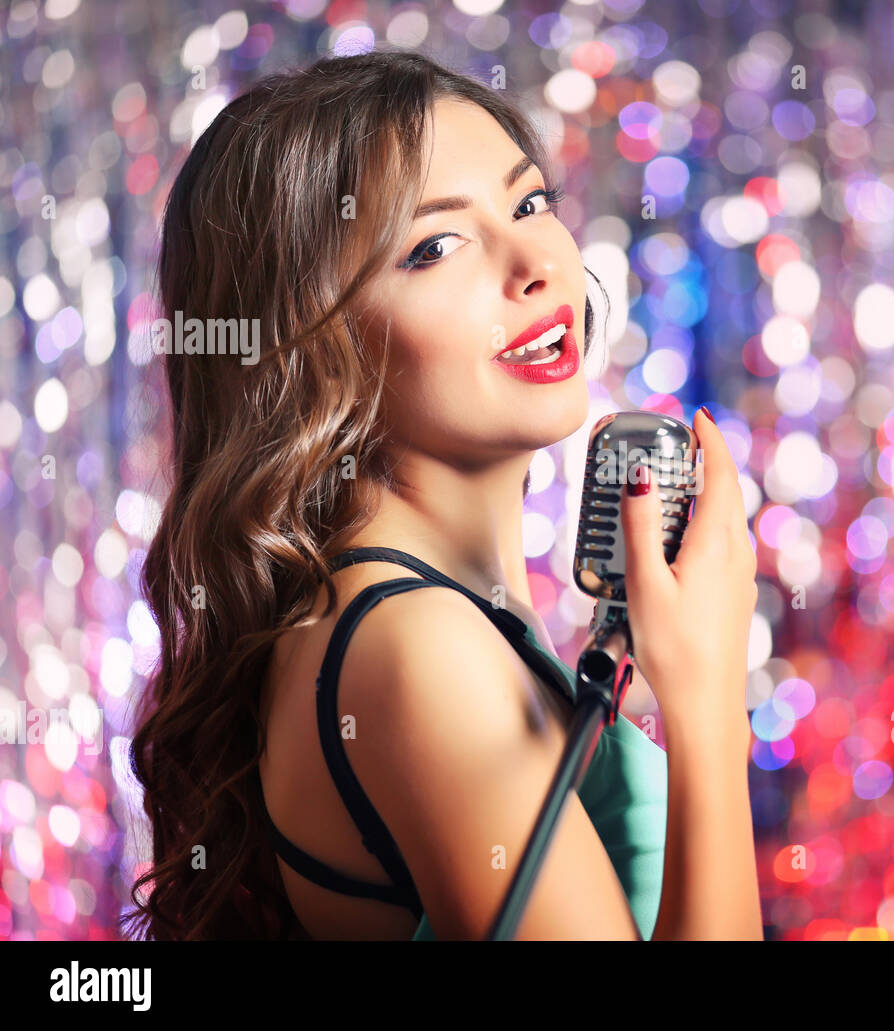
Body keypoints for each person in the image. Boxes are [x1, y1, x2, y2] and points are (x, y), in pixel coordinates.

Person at [122, 49, 762, 940]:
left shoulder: (426, 621)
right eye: (433, 246)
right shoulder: (421, 647)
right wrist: (706, 708)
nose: (535, 261)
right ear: (307, 349)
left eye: (530, 201)